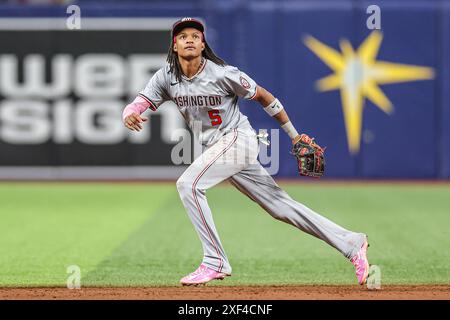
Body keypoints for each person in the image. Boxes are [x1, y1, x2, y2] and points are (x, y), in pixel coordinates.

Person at [122, 17, 370, 286]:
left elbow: (266, 97)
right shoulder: (166, 77)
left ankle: (214, 261)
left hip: (238, 140)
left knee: (189, 185)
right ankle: (351, 242)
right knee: (280, 207)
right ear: (175, 45)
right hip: (218, 149)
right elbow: (139, 102)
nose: (190, 39)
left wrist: (294, 136)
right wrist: (129, 112)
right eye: (183, 36)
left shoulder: (222, 73)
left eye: (195, 35)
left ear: (203, 44)